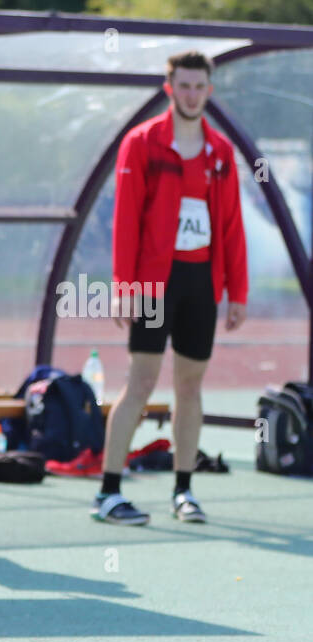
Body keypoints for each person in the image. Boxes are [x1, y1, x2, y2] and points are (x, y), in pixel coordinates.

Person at [95, 50, 247, 526]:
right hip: (152, 283)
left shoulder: (220, 152)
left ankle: (184, 491)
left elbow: (231, 224)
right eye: (183, 85)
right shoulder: (141, 143)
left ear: (210, 90)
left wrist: (236, 292)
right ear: (169, 88)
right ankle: (109, 493)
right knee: (140, 381)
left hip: (200, 281)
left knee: (190, 386)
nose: (191, 94)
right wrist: (124, 286)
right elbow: (125, 223)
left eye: (199, 86)